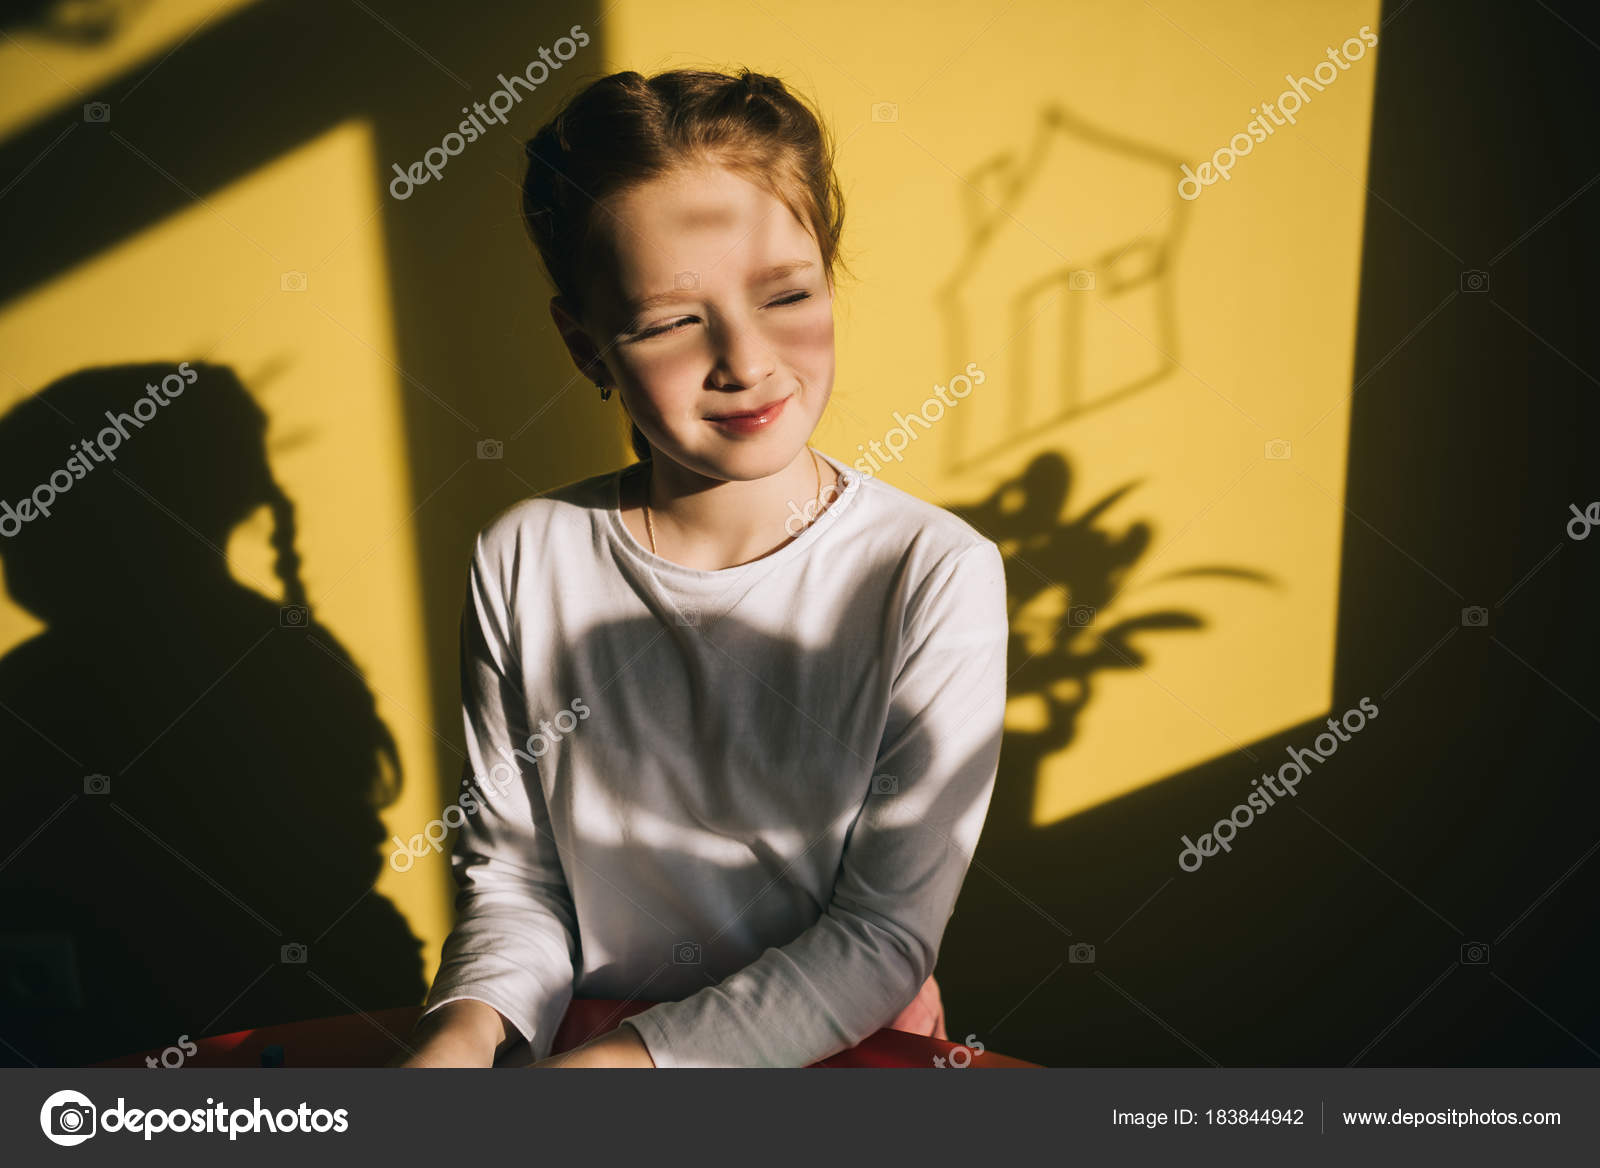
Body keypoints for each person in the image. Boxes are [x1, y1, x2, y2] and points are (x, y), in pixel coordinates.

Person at [399, 67, 1008, 1068]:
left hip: (847, 1060)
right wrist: (460, 1033)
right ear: (585, 345)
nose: (745, 358)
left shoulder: (932, 570)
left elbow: (881, 934)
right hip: (579, 1053)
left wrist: (622, 1069)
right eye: (673, 319)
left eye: (786, 294)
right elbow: (514, 881)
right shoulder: (523, 555)